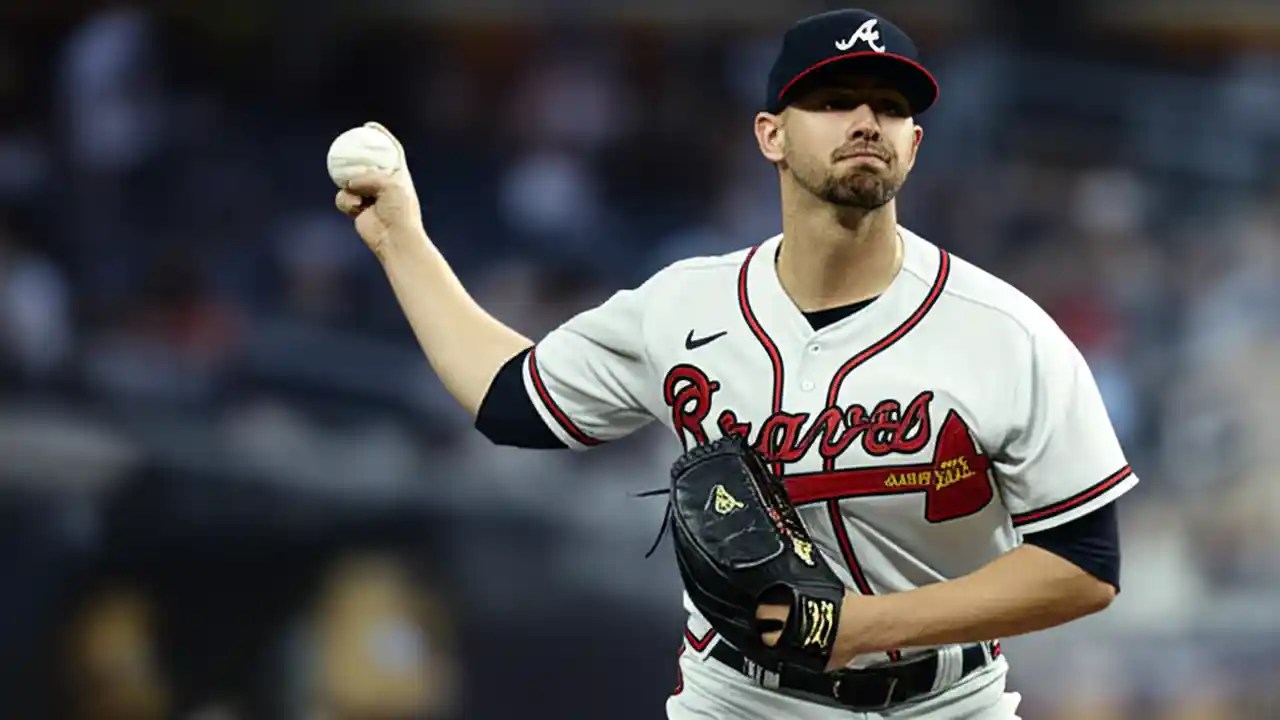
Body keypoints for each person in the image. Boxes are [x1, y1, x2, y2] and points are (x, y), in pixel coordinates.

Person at [334, 9, 1136, 718]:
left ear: (914, 144)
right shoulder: (685, 305)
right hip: (739, 698)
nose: (866, 121)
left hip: (947, 702)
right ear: (771, 135)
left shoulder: (1005, 330)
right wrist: (400, 239)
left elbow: (1085, 567)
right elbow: (511, 399)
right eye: (833, 101)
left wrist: (869, 626)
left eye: (890, 108)